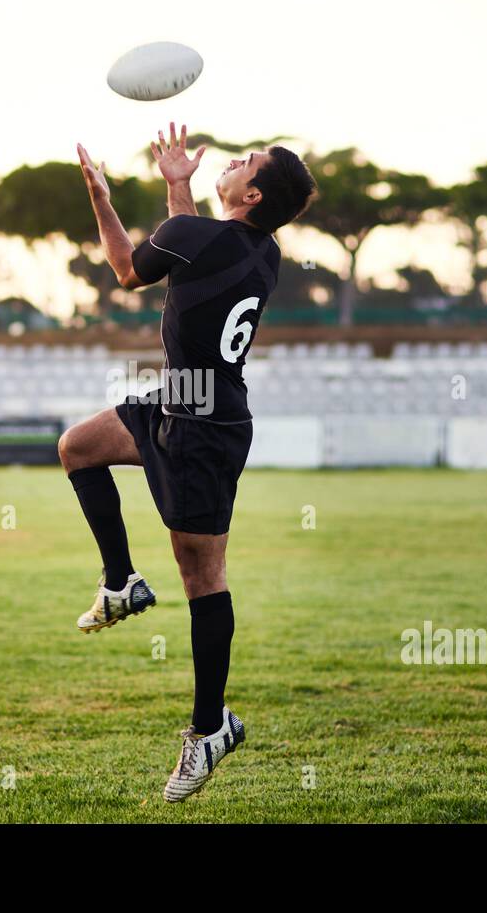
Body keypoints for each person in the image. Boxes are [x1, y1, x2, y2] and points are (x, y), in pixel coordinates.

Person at [62, 123, 317, 802]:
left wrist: (100, 196)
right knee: (78, 447)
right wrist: (178, 183)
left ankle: (210, 728)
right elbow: (196, 250)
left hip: (204, 429)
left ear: (251, 191)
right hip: (182, 404)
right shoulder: (266, 251)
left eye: (242, 161)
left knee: (203, 576)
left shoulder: (201, 237)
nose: (229, 161)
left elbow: (127, 270)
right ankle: (120, 582)